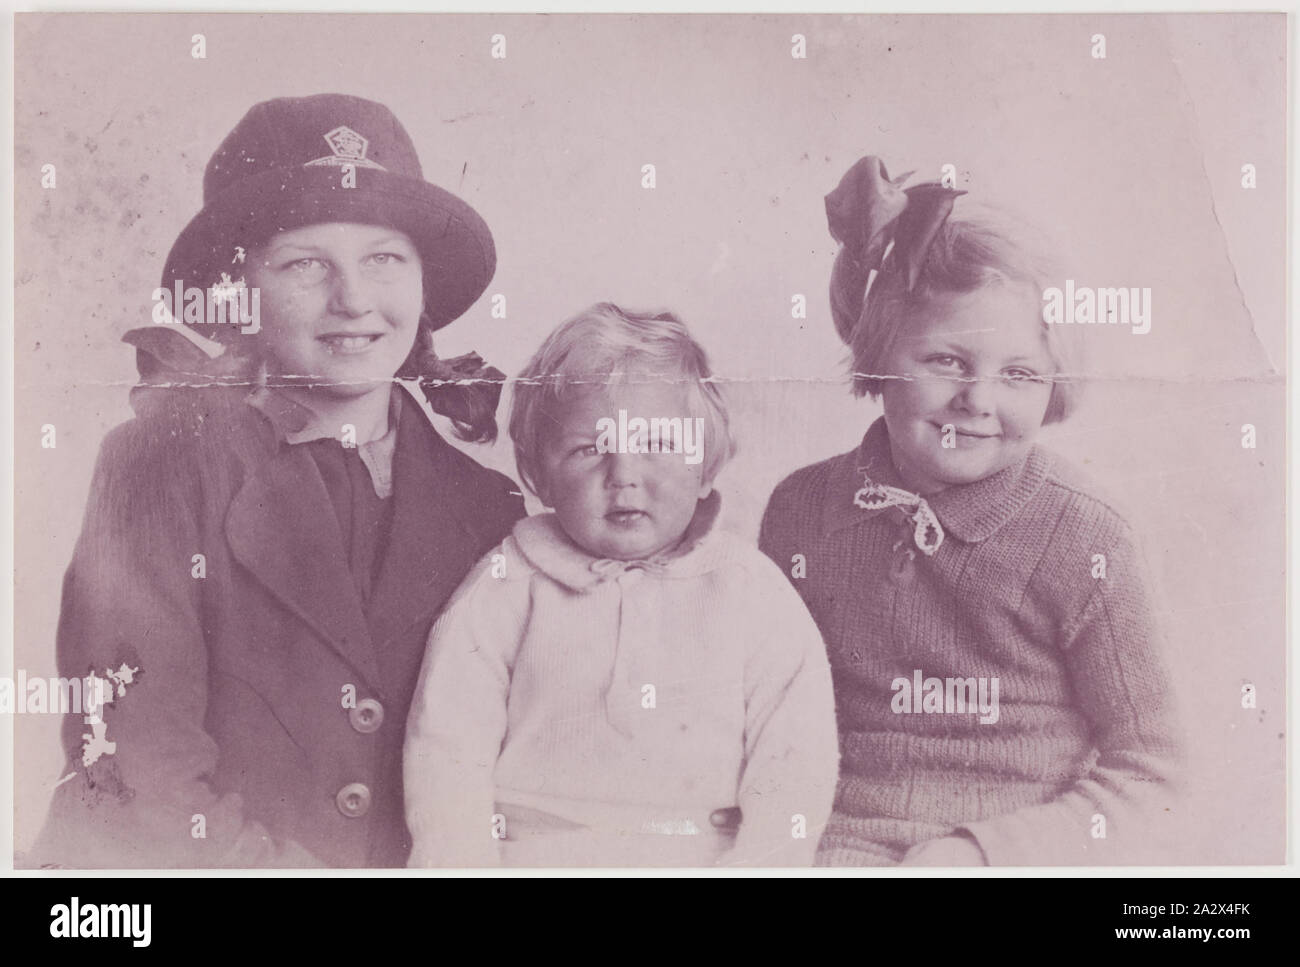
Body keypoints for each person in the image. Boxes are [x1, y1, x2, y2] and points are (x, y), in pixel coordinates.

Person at [30, 93, 524, 868]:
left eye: (385, 258)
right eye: (305, 264)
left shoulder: (489, 507)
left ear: (423, 283)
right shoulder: (157, 468)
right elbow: (132, 769)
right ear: (238, 293)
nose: (354, 299)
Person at [758, 156, 1183, 866]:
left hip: (1020, 850)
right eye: (948, 361)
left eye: (1017, 373)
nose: (978, 401)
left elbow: (1154, 774)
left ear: (1053, 383)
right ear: (879, 354)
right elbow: (759, 717)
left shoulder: (1085, 535)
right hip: (830, 846)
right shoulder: (801, 511)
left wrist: (979, 853)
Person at [403, 303, 840, 867]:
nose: (624, 473)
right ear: (537, 475)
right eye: (589, 449)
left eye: (657, 444)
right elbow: (445, 749)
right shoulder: (508, 583)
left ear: (706, 466)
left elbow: (794, 762)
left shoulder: (750, 591)